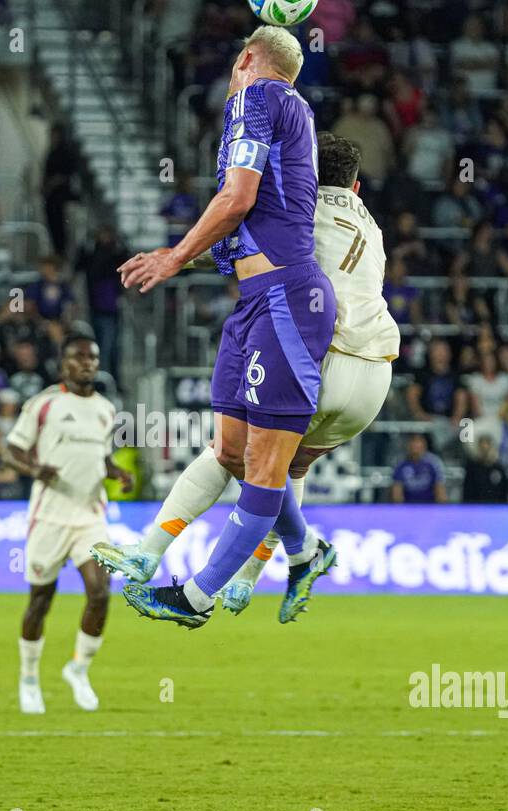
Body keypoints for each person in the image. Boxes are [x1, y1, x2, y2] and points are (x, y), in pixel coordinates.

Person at [92, 132, 398, 618]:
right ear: (357, 187)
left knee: (234, 455)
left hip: (319, 356)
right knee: (285, 469)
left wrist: (172, 257)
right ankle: (258, 572)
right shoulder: (371, 227)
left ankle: (160, 561)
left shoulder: (294, 209)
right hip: (375, 374)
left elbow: (231, 241)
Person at [96, 27, 338, 629]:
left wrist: (174, 257)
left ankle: (198, 596)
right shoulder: (296, 111)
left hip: (286, 299)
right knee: (230, 450)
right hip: (257, 301)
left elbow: (236, 196)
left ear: (246, 60)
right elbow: (249, 214)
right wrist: (188, 254)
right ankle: (305, 550)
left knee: (263, 464)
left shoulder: (255, 99)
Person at [2, 334, 132, 714]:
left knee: (100, 591)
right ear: (64, 364)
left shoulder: (107, 409)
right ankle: (28, 677)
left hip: (90, 516)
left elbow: (100, 455)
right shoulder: (44, 404)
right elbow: (10, 450)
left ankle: (78, 668)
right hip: (48, 516)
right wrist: (33, 469)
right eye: (79, 358)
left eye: (92, 357)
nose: (88, 364)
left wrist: (115, 473)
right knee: (40, 600)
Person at [391, 433, 446, 503]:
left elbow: (440, 491)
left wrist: (440, 511)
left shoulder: (434, 463)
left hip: (429, 507)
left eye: (418, 442)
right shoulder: (400, 464)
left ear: (424, 445)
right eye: (413, 441)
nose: (415, 446)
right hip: (407, 507)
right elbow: (397, 494)